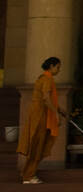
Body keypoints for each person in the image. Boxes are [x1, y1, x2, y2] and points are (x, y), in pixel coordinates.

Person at [18, 56, 61, 184]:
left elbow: (50, 100)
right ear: (51, 66)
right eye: (57, 67)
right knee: (37, 144)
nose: (58, 70)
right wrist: (56, 114)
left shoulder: (45, 78)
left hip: (40, 114)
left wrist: (60, 110)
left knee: (39, 144)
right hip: (40, 116)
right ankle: (28, 176)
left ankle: (29, 173)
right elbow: (46, 99)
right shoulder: (47, 79)